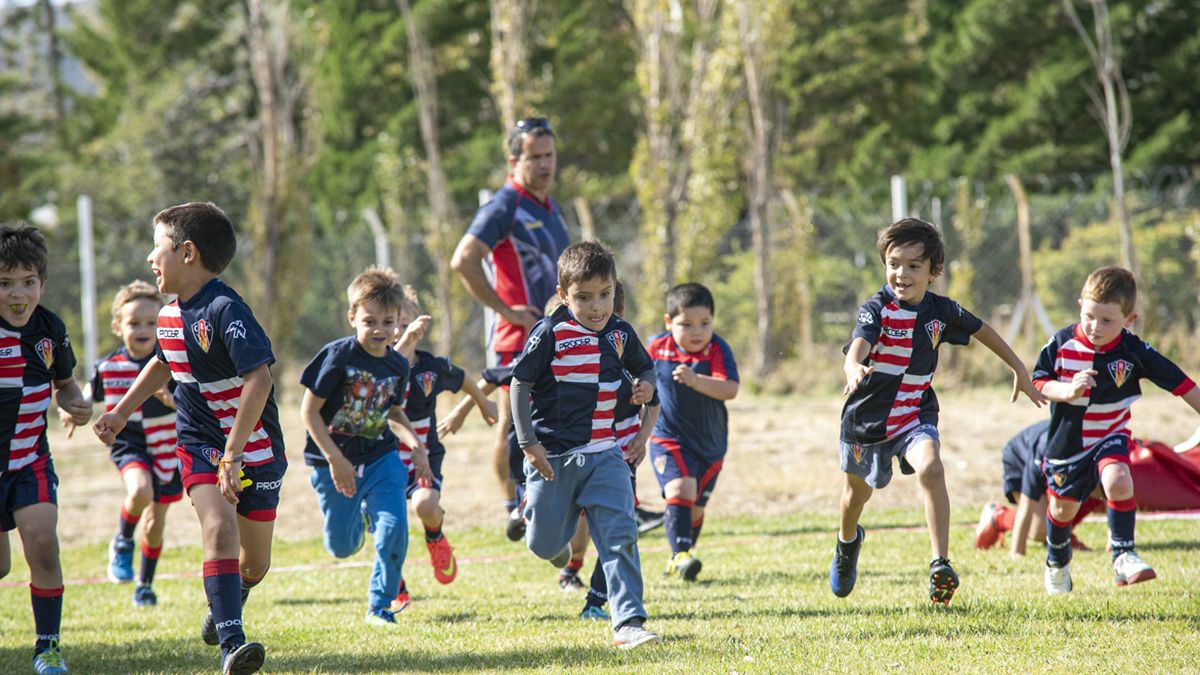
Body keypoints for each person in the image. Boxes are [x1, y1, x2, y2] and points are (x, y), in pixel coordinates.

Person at [95, 202, 283, 674]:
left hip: (254, 450)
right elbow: (163, 363)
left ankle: (227, 601)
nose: (149, 259)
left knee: (254, 565)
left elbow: (259, 381)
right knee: (218, 527)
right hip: (199, 440)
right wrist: (119, 413)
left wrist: (235, 455)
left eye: (157, 246)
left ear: (187, 253)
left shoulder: (224, 309)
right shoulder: (167, 315)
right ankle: (231, 642)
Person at [831, 218, 1045, 606]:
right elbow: (859, 342)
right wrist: (852, 367)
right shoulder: (874, 308)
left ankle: (939, 563)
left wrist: (1018, 367)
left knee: (931, 468)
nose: (902, 273)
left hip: (914, 415)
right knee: (855, 497)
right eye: (894, 263)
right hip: (866, 422)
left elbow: (982, 330)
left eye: (914, 265)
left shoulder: (940, 311)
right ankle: (847, 543)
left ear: (934, 272)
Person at [509, 240, 660, 649]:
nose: (597, 307)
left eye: (605, 295)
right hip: (552, 460)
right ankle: (549, 538)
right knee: (545, 546)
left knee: (620, 534)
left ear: (614, 288)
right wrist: (528, 444)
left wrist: (646, 387)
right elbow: (520, 383)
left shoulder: (620, 333)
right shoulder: (551, 333)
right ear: (563, 295)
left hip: (604, 454)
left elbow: (646, 370)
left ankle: (628, 622)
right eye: (584, 298)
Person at [1032, 266, 1200, 594]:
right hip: (1067, 447)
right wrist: (1066, 391)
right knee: (1061, 510)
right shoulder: (1061, 343)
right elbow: (1038, 381)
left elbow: (1182, 384)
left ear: (1129, 319)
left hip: (1111, 435)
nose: (1095, 327)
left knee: (1119, 480)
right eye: (1089, 316)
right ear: (1080, 304)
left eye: (1107, 321)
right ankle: (1056, 560)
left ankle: (1123, 554)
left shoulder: (1134, 351)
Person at [450, 116, 569, 525]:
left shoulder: (551, 207)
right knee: (512, 423)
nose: (544, 164)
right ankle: (511, 507)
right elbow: (463, 260)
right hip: (517, 336)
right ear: (514, 160)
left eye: (549, 155)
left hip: (555, 333)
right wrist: (505, 310)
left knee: (555, 420)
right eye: (534, 156)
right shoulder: (505, 205)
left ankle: (546, 500)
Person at [299, 267, 430, 623]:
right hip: (331, 460)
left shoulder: (396, 365)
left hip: (380, 457)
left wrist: (415, 445)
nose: (379, 330)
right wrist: (335, 459)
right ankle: (355, 518)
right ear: (352, 316)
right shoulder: (338, 356)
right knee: (341, 546)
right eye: (370, 321)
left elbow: (394, 412)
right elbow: (308, 412)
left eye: (388, 323)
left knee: (393, 528)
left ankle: (381, 605)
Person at [0, 223, 92, 675]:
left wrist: (75, 405)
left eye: (28, 282)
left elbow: (65, 385)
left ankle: (47, 647)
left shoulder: (51, 328)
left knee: (43, 544)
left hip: (29, 462)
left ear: (42, 283)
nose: (18, 294)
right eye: (4, 283)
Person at [389, 285, 496, 608]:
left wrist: (481, 404)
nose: (396, 330)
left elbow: (462, 377)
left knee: (423, 505)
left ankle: (435, 534)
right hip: (381, 456)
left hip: (424, 455)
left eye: (404, 323)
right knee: (389, 522)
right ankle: (395, 585)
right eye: (390, 322)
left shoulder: (429, 368)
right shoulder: (371, 370)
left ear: (418, 327)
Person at [90, 281, 181, 606]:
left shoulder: (173, 365)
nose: (143, 329)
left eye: (151, 323)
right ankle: (123, 541)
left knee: (156, 521)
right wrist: (72, 413)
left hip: (168, 449)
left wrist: (173, 401)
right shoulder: (107, 367)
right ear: (118, 326)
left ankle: (144, 584)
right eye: (133, 323)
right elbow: (85, 399)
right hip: (129, 444)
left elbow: (191, 404)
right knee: (140, 490)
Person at [645, 283, 738, 582]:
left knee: (696, 507)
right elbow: (635, 378)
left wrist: (697, 380)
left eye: (704, 323)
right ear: (668, 322)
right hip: (667, 437)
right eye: (686, 325)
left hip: (711, 444)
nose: (697, 331)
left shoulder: (717, 349)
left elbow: (730, 389)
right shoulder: (655, 348)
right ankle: (680, 555)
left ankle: (682, 557)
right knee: (680, 489)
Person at [974, 420, 1099, 556]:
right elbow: (1027, 504)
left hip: (1061, 458)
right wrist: (1017, 552)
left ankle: (1062, 535)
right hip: (1020, 458)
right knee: (1039, 530)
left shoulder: (1094, 448)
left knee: (1101, 494)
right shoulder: (1044, 452)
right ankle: (998, 516)